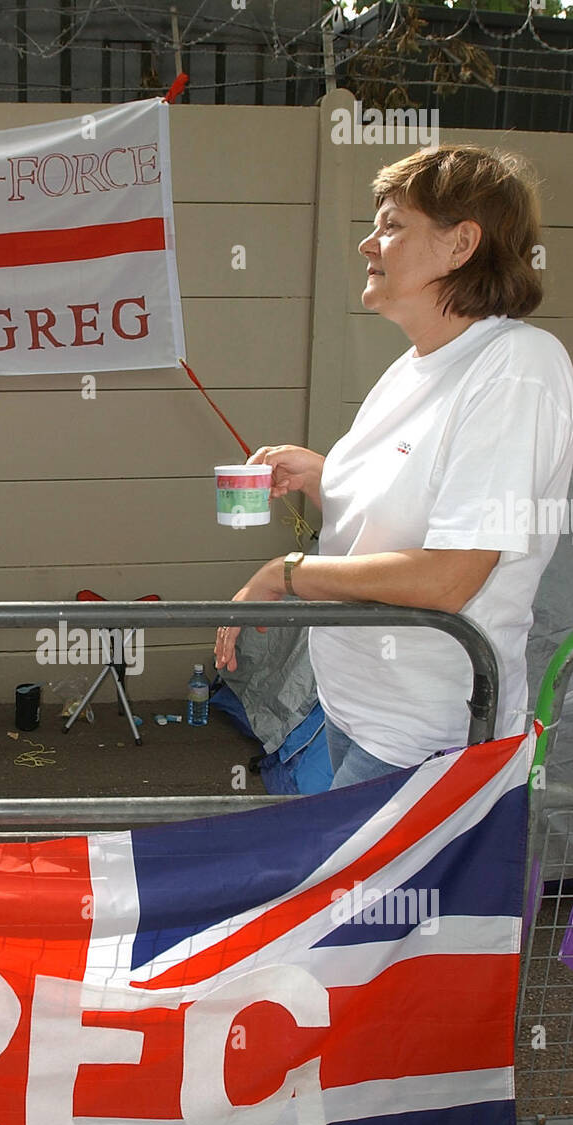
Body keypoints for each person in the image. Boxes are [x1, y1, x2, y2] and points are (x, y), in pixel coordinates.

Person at [214, 144, 573, 789]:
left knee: (387, 895)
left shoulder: (517, 368)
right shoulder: (415, 365)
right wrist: (324, 476)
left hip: (430, 739)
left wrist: (283, 574)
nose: (368, 244)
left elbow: (452, 575)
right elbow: (406, 514)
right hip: (351, 709)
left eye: (393, 224)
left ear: (461, 242)